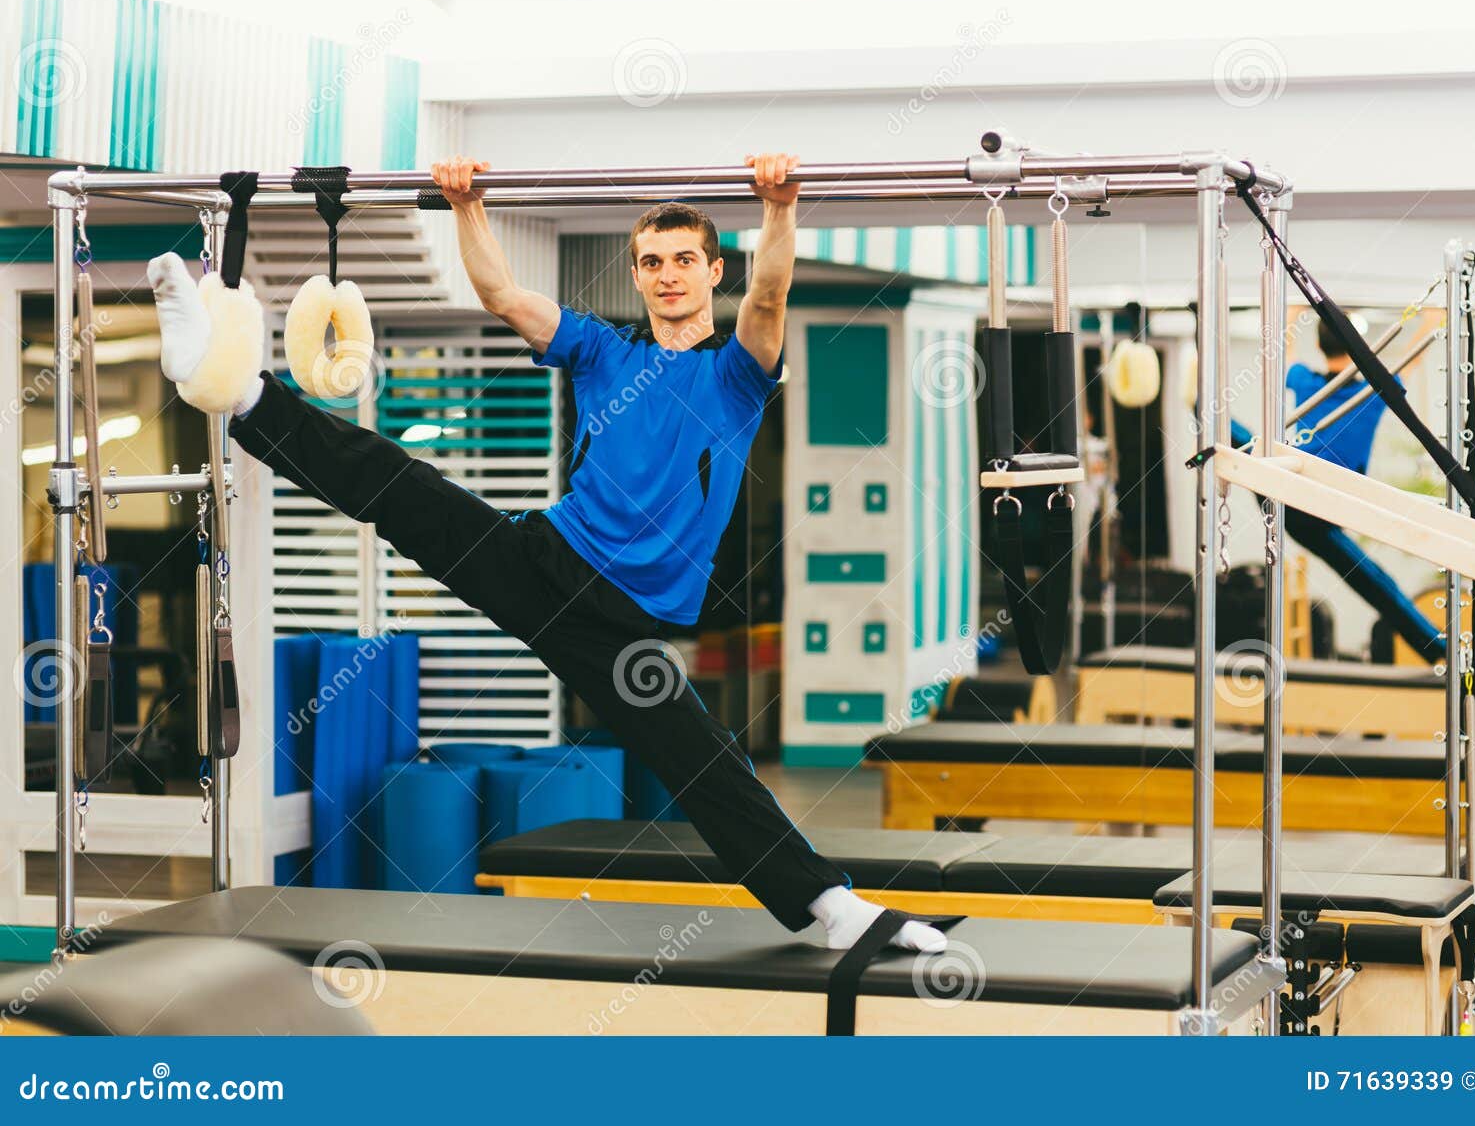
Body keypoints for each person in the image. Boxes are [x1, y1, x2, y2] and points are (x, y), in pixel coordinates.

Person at [165, 153, 947, 954]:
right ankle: (241, 391)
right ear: (637, 276)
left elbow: (772, 292)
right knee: (407, 492)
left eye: (685, 261)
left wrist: (779, 207)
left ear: (715, 269)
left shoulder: (737, 376)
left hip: (622, 619)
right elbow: (503, 296)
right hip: (545, 561)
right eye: (652, 262)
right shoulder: (606, 352)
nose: (668, 275)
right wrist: (465, 204)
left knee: (700, 758)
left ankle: (828, 904)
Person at [1275, 320, 1448, 663]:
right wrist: (1431, 321)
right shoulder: (1371, 392)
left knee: (1375, 581)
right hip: (1320, 506)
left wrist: (1292, 314)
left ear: (1322, 347)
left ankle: (1438, 649)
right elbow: (1410, 359)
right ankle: (1438, 650)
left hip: (1295, 501)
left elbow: (1286, 348)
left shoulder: (1305, 382)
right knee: (1377, 584)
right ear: (1355, 349)